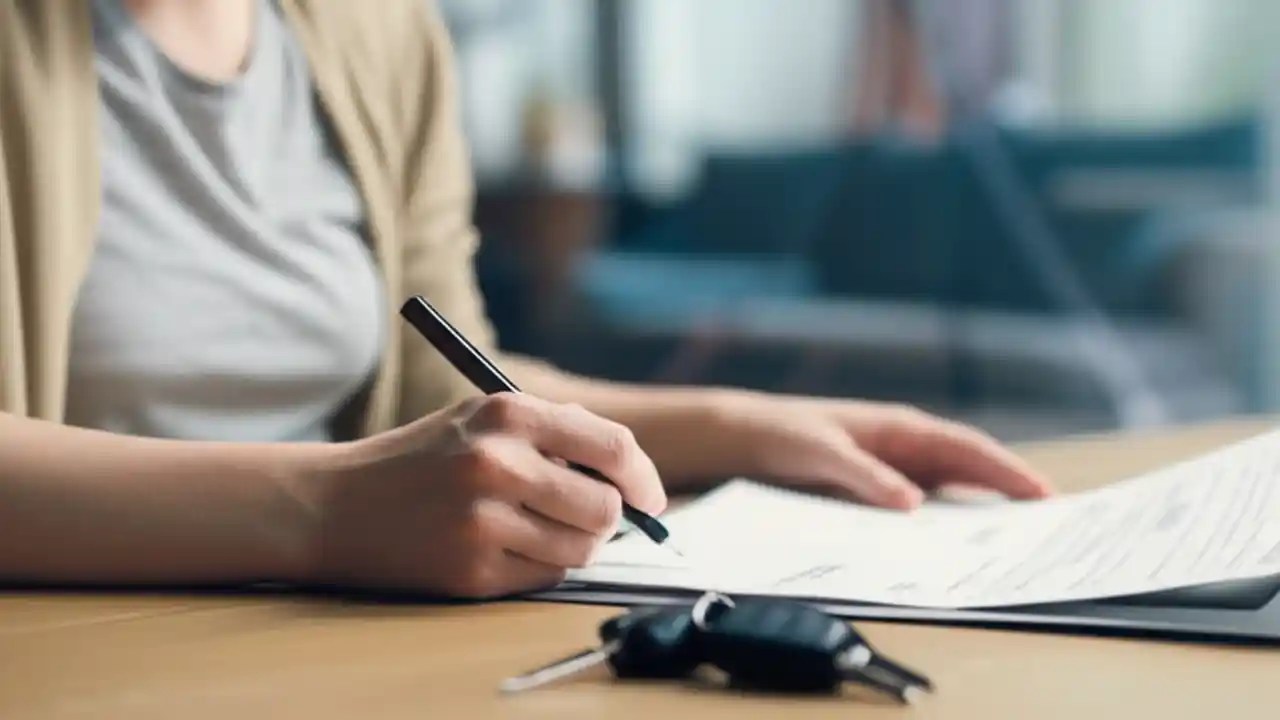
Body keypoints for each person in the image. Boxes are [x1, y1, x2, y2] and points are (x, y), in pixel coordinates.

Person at [0, 0, 1052, 599]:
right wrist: (329, 512)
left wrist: (741, 428)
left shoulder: (375, 29)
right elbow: (383, 480)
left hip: (323, 638)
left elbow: (444, 387)